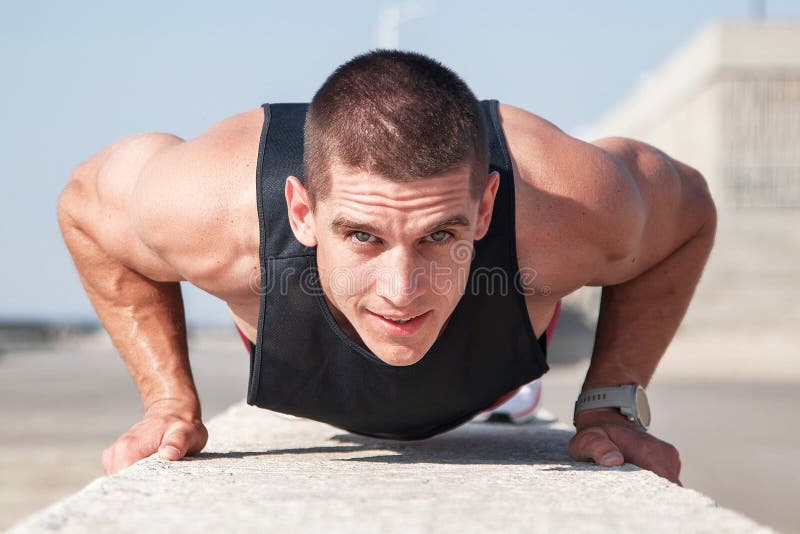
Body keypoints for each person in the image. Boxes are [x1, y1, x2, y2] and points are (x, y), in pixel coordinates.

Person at [57, 50, 716, 485]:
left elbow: (689, 210)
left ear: (485, 207)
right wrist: (167, 398)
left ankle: (510, 394)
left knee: (519, 310)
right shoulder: (208, 210)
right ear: (303, 211)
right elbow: (85, 204)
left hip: (490, 366)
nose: (402, 291)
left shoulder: (569, 209)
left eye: (439, 235)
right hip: (318, 359)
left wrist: (611, 404)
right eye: (364, 236)